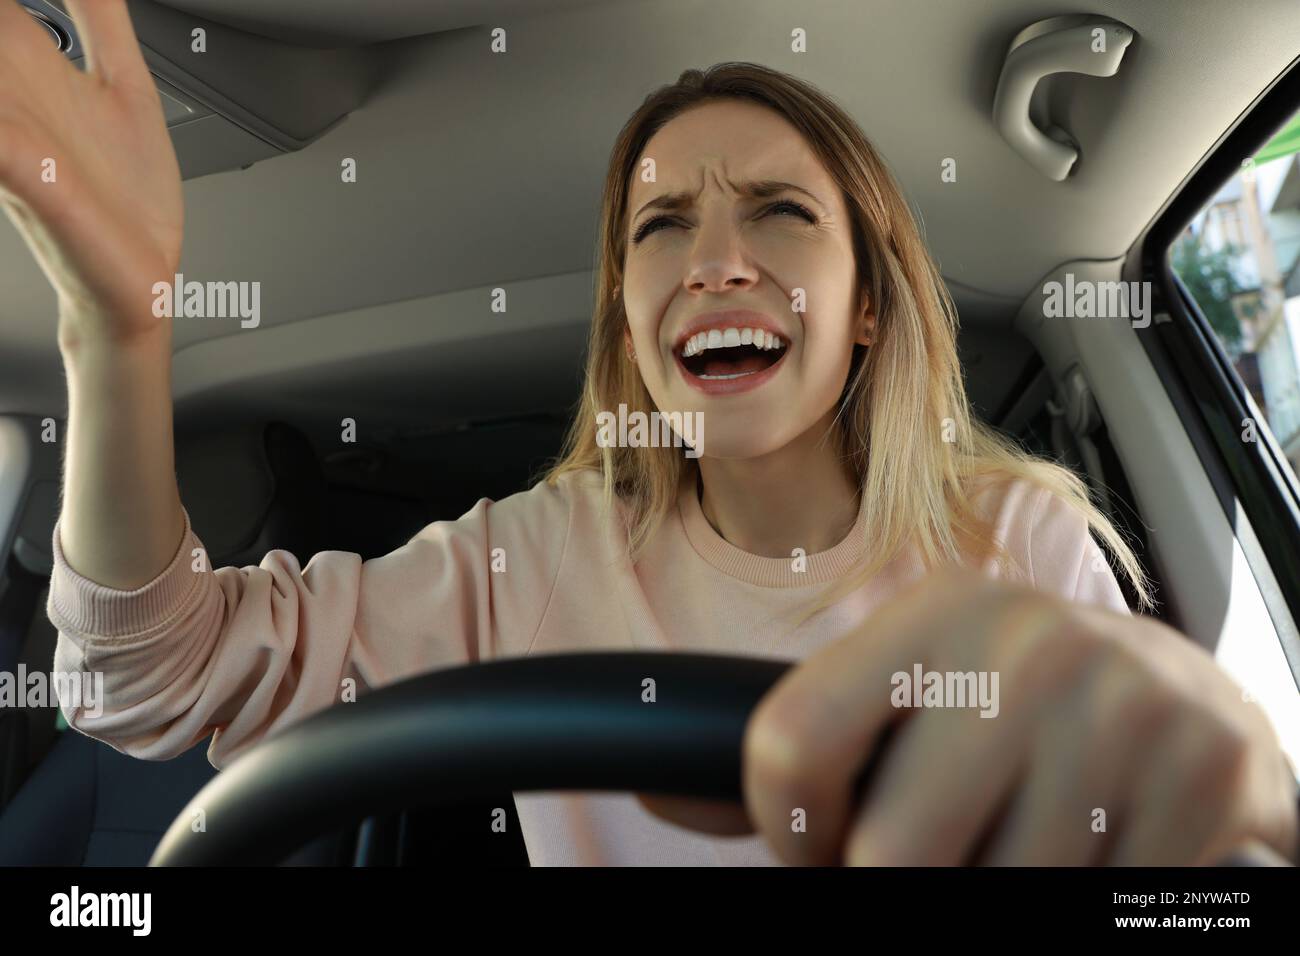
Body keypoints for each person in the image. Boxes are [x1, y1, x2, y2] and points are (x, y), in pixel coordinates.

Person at [2, 0, 1295, 865]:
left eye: (781, 211)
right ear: (633, 322)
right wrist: (117, 332)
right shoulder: (536, 557)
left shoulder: (1015, 538)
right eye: (662, 226)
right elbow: (143, 683)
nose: (716, 260)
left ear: (864, 312)